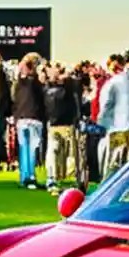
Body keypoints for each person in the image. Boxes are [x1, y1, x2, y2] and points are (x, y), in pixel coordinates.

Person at [96, 54, 129, 178]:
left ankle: (110, 184)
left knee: (114, 162)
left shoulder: (111, 83)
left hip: (117, 128)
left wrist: (101, 123)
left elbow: (106, 105)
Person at [43, 63, 79, 192]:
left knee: (66, 154)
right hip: (58, 125)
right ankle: (54, 178)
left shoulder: (66, 88)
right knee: (57, 153)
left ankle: (63, 179)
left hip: (64, 124)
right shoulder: (49, 89)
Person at [11, 57, 45, 189]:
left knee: (23, 148)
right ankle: (30, 176)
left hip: (21, 118)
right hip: (34, 118)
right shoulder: (37, 84)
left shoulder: (19, 84)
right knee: (32, 149)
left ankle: (24, 176)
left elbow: (15, 100)